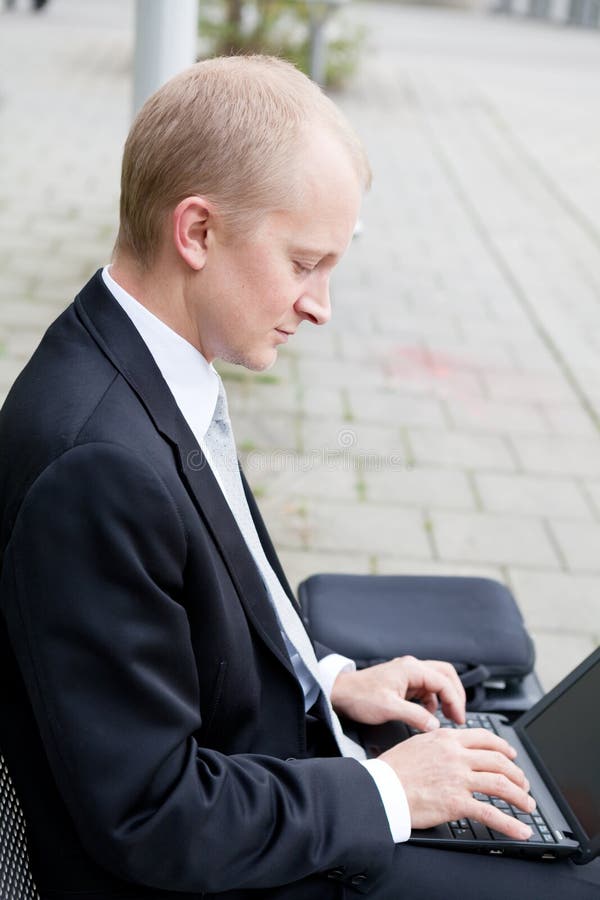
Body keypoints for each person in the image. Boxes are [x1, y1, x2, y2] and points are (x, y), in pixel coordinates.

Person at [0, 55, 598, 900]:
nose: (321, 305)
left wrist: (331, 680)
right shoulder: (94, 471)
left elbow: (203, 616)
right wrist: (393, 790)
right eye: (304, 263)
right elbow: (152, 817)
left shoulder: (154, 362)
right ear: (197, 233)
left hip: (278, 775)